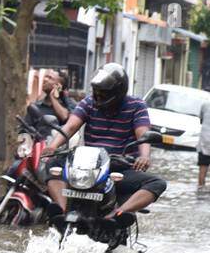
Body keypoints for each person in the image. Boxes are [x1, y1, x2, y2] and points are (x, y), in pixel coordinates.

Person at [40, 62, 165, 220]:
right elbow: (70, 126)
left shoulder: (136, 106)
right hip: (88, 166)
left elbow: (143, 134)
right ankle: (63, 210)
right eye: (96, 91)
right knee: (52, 165)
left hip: (119, 168)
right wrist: (52, 147)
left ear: (117, 91)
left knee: (157, 183)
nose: (98, 96)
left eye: (103, 93)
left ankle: (118, 212)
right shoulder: (88, 103)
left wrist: (145, 156)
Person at [25, 69, 76, 138]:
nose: (45, 79)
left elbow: (65, 117)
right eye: (46, 76)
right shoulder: (36, 106)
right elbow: (25, 130)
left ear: (58, 86)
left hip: (61, 147)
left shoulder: (70, 105)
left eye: (50, 78)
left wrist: (53, 97)